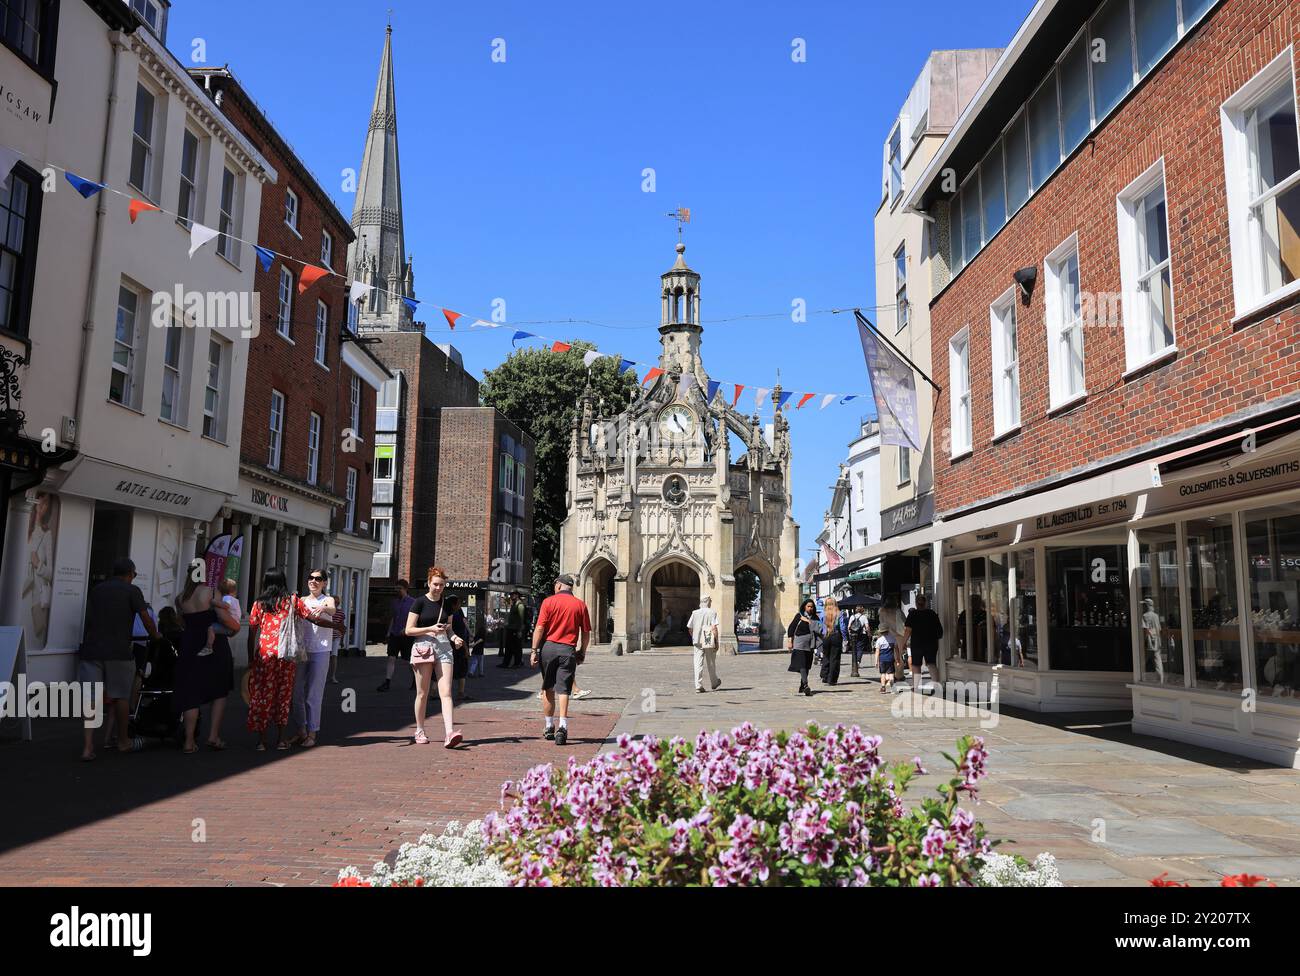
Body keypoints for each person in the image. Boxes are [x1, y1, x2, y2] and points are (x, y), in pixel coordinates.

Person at [78, 559, 160, 761]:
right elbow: (145, 618)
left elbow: (89, 620)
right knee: (121, 696)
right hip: (118, 650)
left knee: (91, 699)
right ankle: (124, 741)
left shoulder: (97, 590)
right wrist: (156, 637)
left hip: (92, 649)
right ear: (131, 574)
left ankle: (88, 746)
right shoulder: (132, 591)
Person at [246, 567, 335, 751]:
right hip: (285, 655)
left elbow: (252, 632)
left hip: (265, 655)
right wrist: (337, 626)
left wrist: (251, 657)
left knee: (262, 696)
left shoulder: (259, 604)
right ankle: (280, 739)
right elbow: (314, 619)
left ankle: (261, 741)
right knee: (283, 696)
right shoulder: (292, 601)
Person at [175, 576, 240, 753]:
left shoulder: (180, 598)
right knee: (219, 690)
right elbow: (225, 618)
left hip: (190, 645)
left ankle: (188, 741)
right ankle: (213, 736)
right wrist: (236, 627)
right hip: (216, 646)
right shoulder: (212, 592)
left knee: (191, 692)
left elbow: (181, 622)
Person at [406, 566, 468, 748]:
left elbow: (449, 628)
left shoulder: (446, 604)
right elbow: (409, 630)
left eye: (441, 585)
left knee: (446, 692)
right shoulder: (419, 603)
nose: (438, 588)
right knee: (423, 693)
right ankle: (419, 729)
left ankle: (449, 733)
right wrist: (429, 629)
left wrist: (455, 638)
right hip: (423, 647)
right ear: (428, 583)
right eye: (435, 584)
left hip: (443, 647)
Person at [530, 574, 591, 747]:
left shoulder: (548, 602)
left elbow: (540, 628)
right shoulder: (580, 605)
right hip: (568, 650)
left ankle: (549, 726)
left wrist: (534, 650)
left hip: (549, 648)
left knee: (547, 687)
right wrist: (582, 652)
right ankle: (563, 726)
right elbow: (586, 633)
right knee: (564, 689)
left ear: (558, 586)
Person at [291, 569, 342, 748]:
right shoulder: (302, 600)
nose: (313, 581)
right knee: (296, 692)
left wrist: (324, 608)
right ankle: (301, 731)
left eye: (318, 579)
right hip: (302, 650)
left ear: (325, 583)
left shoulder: (326, 599)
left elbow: (332, 608)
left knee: (313, 693)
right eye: (311, 578)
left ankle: (312, 733)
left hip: (321, 650)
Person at [378, 579, 416, 692]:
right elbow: (393, 618)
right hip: (395, 634)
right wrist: (388, 633)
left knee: (409, 660)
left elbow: (416, 619)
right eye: (396, 588)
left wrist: (408, 629)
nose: (397, 590)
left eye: (399, 588)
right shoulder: (394, 602)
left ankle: (415, 680)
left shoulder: (413, 602)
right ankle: (387, 681)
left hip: (407, 635)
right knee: (391, 658)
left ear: (405, 589)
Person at [903, 594, 944, 693]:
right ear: (925, 603)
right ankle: (936, 685)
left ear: (916, 603)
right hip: (931, 643)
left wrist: (903, 642)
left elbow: (908, 630)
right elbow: (939, 631)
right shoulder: (932, 613)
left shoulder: (913, 614)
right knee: (931, 664)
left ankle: (916, 686)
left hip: (917, 643)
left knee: (916, 665)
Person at [785, 598, 821, 697]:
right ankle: (805, 685)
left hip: (810, 644)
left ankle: (802, 686)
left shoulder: (815, 618)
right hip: (799, 643)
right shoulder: (799, 616)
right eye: (808, 606)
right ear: (804, 607)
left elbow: (818, 629)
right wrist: (789, 641)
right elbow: (791, 628)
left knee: (807, 665)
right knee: (802, 664)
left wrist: (809, 621)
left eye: (812, 607)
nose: (810, 608)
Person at [687, 594, 722, 693]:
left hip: (697, 641)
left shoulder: (695, 613)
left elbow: (690, 628)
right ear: (707, 601)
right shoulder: (712, 612)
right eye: (710, 601)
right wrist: (716, 641)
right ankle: (714, 682)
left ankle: (698, 685)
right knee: (711, 662)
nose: (711, 602)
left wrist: (694, 636)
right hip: (708, 641)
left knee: (697, 663)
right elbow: (714, 628)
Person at [446, 594, 471, 702]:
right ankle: (461, 692)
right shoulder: (456, 615)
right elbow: (461, 635)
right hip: (458, 647)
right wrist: (466, 649)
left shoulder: (450, 613)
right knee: (461, 671)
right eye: (459, 603)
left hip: (449, 646)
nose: (460, 605)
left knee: (448, 670)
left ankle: (434, 691)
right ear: (454, 604)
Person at [819, 596, 844, 685]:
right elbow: (842, 627)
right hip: (836, 636)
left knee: (826, 656)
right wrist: (845, 638)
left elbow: (821, 627)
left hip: (826, 636)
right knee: (835, 658)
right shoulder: (839, 613)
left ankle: (825, 676)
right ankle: (832, 679)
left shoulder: (822, 613)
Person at [1141, 598, 1164, 683]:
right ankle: (1160, 677)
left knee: (1144, 658)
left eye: (1144, 605)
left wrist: (1147, 640)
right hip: (1157, 640)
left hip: (1149, 641)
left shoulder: (1145, 616)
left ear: (1147, 605)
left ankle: (1142, 677)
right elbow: (1159, 629)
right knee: (1157, 658)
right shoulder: (1156, 616)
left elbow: (1145, 630)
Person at [848, 606, 871, 678]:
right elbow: (867, 627)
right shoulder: (864, 617)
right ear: (862, 610)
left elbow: (849, 626)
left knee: (854, 648)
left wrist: (850, 634)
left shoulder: (852, 616)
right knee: (860, 648)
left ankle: (855, 664)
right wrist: (869, 634)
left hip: (853, 635)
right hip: (862, 634)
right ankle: (857, 662)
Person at [468, 612, 487, 679]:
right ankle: (480, 673)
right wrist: (473, 644)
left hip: (475, 650)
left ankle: (471, 672)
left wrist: (472, 644)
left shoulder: (478, 633)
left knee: (474, 662)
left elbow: (475, 639)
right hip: (480, 651)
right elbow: (480, 640)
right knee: (480, 662)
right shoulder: (483, 634)